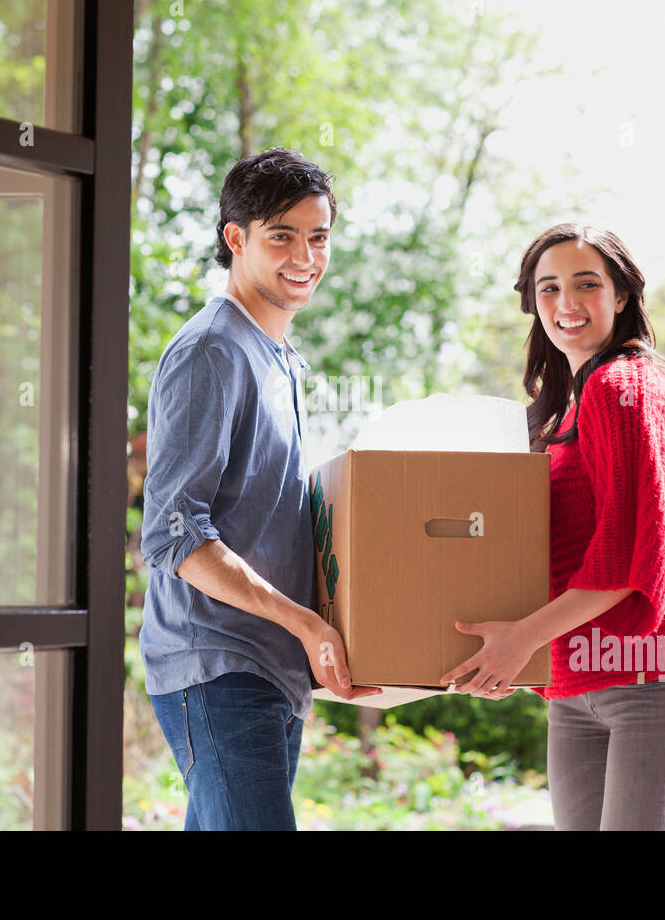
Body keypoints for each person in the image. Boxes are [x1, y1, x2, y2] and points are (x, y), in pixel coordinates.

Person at [439, 222, 665, 830]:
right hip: (577, 679)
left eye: (586, 284)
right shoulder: (564, 406)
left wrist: (521, 638)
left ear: (620, 295)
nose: (566, 304)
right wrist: (515, 647)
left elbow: (628, 552)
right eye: (548, 289)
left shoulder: (623, 384)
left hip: (656, 672)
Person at [139, 147, 380, 831]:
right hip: (218, 664)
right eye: (282, 235)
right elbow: (174, 534)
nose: (305, 255)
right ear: (235, 238)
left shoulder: (278, 358)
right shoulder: (212, 350)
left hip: (269, 670)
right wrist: (306, 622)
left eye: (318, 235)